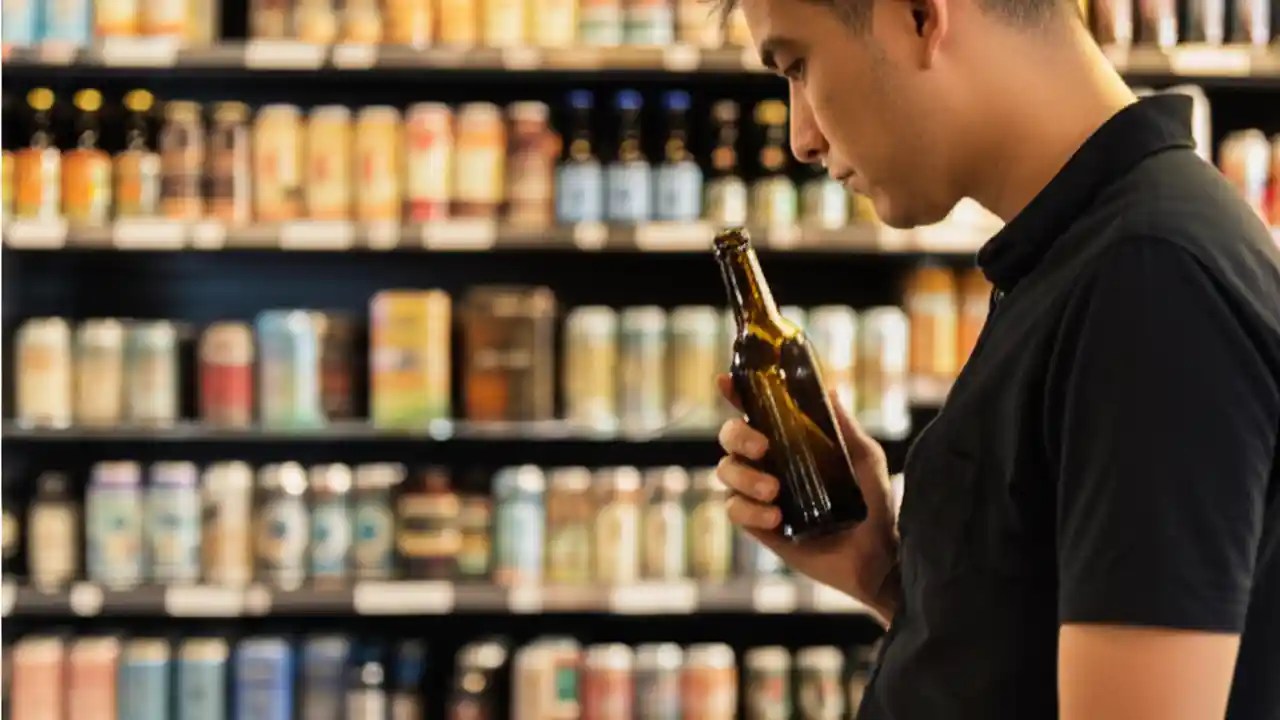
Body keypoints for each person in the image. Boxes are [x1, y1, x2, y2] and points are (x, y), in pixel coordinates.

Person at [710, 0, 1280, 717]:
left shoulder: (1151, 279)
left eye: (797, 65)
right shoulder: (1080, 259)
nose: (801, 138)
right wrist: (884, 571)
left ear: (919, 16)